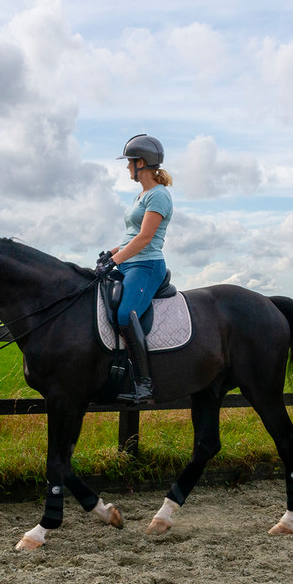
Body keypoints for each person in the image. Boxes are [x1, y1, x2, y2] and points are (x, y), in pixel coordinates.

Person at [97, 133, 173, 406]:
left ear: (141, 163)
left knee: (125, 315)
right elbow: (131, 238)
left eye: (129, 162)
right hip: (128, 262)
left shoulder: (159, 196)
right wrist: (110, 253)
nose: (127, 167)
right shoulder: (140, 196)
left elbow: (144, 239)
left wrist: (114, 262)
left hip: (147, 265)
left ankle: (144, 385)